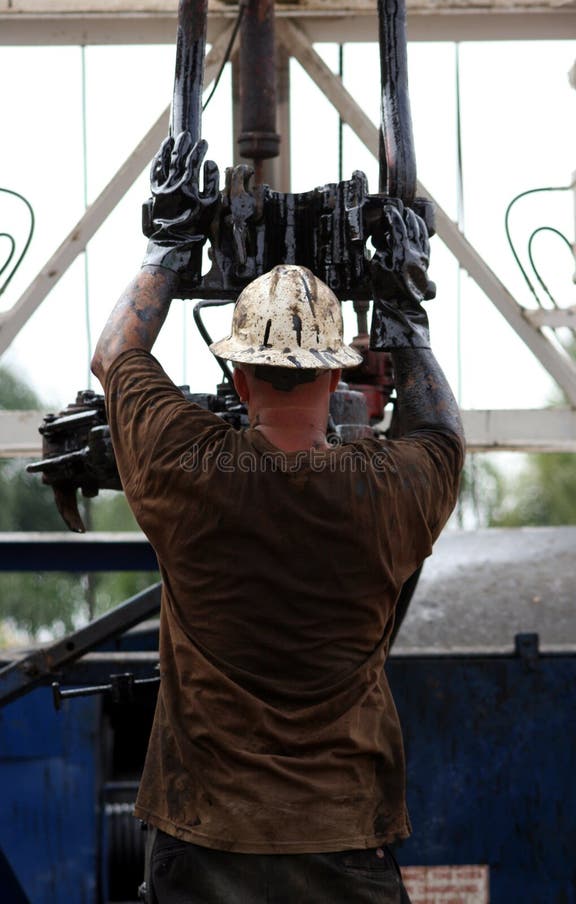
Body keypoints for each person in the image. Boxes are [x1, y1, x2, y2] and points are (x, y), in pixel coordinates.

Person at [91, 133, 464, 904]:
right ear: (337, 370)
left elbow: (117, 355)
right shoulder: (390, 492)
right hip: (342, 836)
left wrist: (170, 244)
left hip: (201, 839)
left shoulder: (184, 469)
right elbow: (441, 434)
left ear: (236, 370)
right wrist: (403, 302)